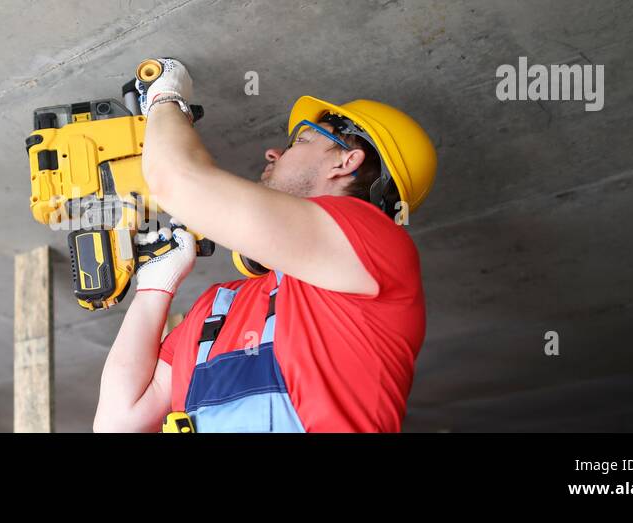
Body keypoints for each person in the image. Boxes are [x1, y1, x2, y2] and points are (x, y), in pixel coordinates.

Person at [94, 58, 438, 432]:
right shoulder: (219, 306)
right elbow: (119, 422)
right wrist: (154, 289)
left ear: (345, 161)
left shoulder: (377, 244)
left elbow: (178, 183)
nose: (273, 153)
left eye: (301, 140)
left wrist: (165, 99)